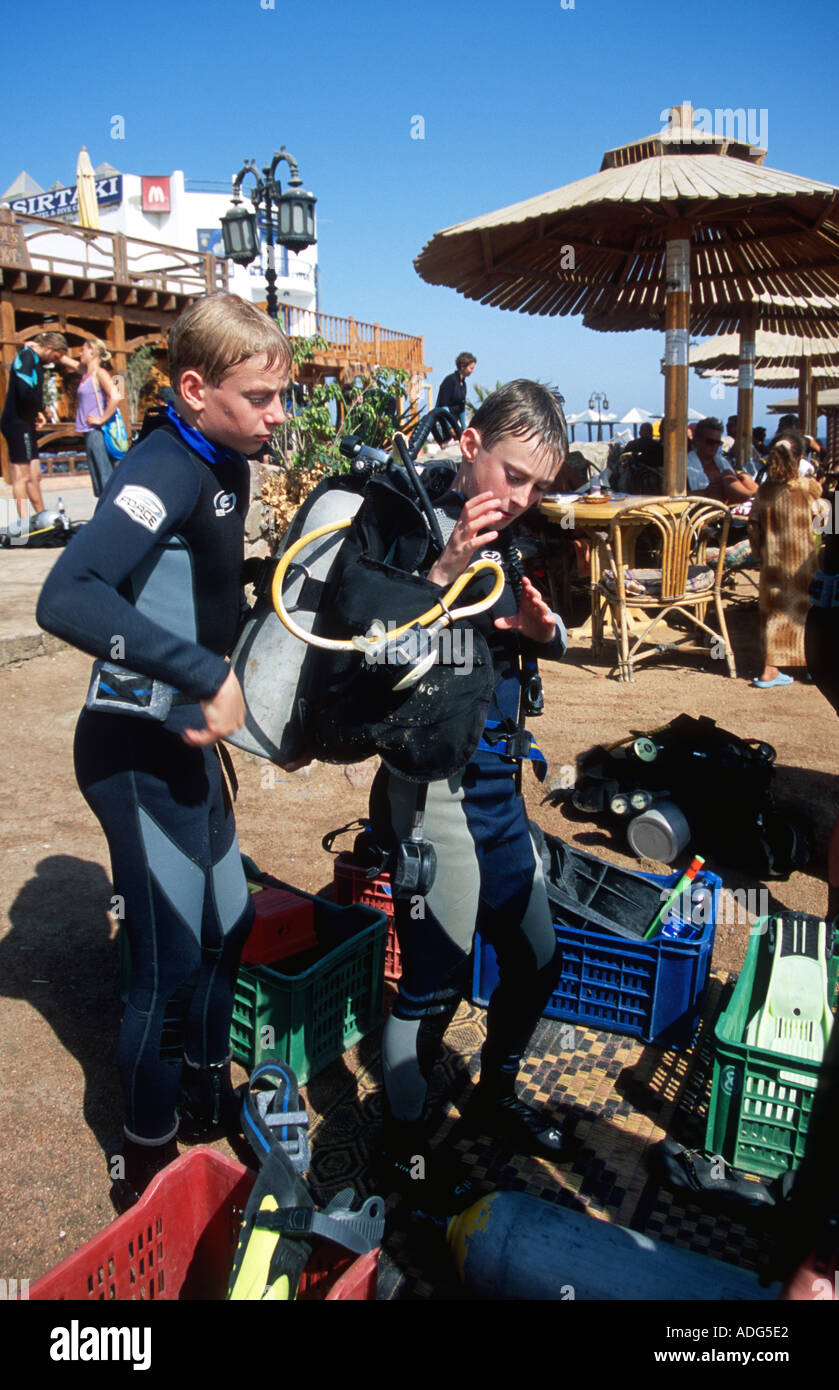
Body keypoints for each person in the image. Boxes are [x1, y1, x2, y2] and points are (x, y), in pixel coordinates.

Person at [36, 292, 291, 1209]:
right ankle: (144, 1167)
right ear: (193, 388)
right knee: (167, 966)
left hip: (187, 745)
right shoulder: (164, 465)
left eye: (282, 394)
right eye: (261, 397)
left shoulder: (223, 456)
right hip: (133, 752)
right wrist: (196, 666)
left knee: (228, 930)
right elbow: (67, 595)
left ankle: (203, 1088)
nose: (278, 414)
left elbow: (201, 583)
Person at [357, 380, 570, 1208]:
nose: (521, 499)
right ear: (471, 442)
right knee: (434, 983)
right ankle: (403, 1156)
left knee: (537, 961)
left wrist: (536, 631)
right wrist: (442, 563)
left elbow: (523, 635)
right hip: (431, 794)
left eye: (538, 487)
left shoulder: (509, 535)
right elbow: (365, 654)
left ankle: (493, 1095)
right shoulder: (406, 519)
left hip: (497, 794)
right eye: (512, 474)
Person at [747, 429, 824, 688]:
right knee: (806, 613)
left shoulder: (765, 490)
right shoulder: (809, 488)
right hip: (805, 563)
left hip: (773, 564)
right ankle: (812, 666)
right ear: (801, 457)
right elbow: (826, 524)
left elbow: (753, 526)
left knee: (773, 612)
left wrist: (759, 553)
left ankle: (770, 669)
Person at [1, 329, 77, 518]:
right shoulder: (27, 357)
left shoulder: (35, 360)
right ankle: (23, 524)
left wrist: (36, 412)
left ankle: (42, 517)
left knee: (35, 475)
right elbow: (24, 390)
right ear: (49, 347)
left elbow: (30, 393)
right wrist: (43, 407)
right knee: (22, 476)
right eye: (55, 356)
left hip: (26, 421)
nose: (54, 361)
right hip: (16, 422)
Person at [73, 337, 124, 498]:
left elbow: (115, 396)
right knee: (99, 480)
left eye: (83, 349)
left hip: (97, 431)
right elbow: (65, 360)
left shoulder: (99, 373)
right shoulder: (85, 373)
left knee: (105, 477)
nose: (80, 353)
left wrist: (101, 419)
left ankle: (110, 517)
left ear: (92, 351)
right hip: (88, 431)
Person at [686, 417, 758, 502]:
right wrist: (707, 492)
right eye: (710, 442)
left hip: (729, 508)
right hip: (703, 510)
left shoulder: (721, 463)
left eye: (718, 443)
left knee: (743, 477)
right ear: (697, 440)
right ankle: (754, 501)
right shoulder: (685, 468)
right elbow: (677, 496)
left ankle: (755, 500)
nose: (715, 446)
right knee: (727, 476)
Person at [435, 352, 477, 440]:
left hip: (453, 422)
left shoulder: (463, 384)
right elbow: (443, 406)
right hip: (443, 423)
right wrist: (451, 427)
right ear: (462, 366)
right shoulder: (450, 380)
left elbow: (461, 408)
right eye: (471, 368)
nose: (473, 371)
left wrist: (464, 429)